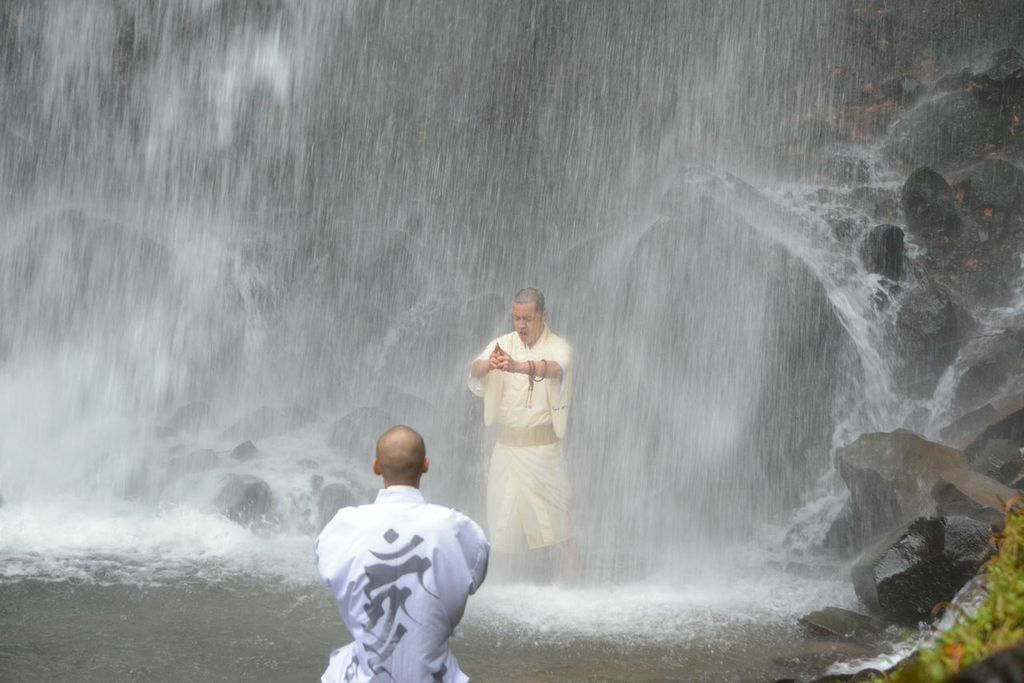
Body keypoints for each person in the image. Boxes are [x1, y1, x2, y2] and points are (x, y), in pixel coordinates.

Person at [315, 425, 490, 683]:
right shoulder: (455, 528)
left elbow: (327, 572)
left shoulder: (345, 526)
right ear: (425, 465)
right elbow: (475, 573)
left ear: (376, 467)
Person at [468, 288, 573, 557]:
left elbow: (556, 369)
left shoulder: (559, 346)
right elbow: (474, 369)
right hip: (506, 449)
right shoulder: (502, 343)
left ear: (543, 317)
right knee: (502, 528)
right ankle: (504, 582)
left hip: (543, 452)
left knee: (559, 529)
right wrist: (489, 365)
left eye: (527, 318)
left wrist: (518, 367)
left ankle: (574, 585)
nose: (521, 325)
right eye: (516, 318)